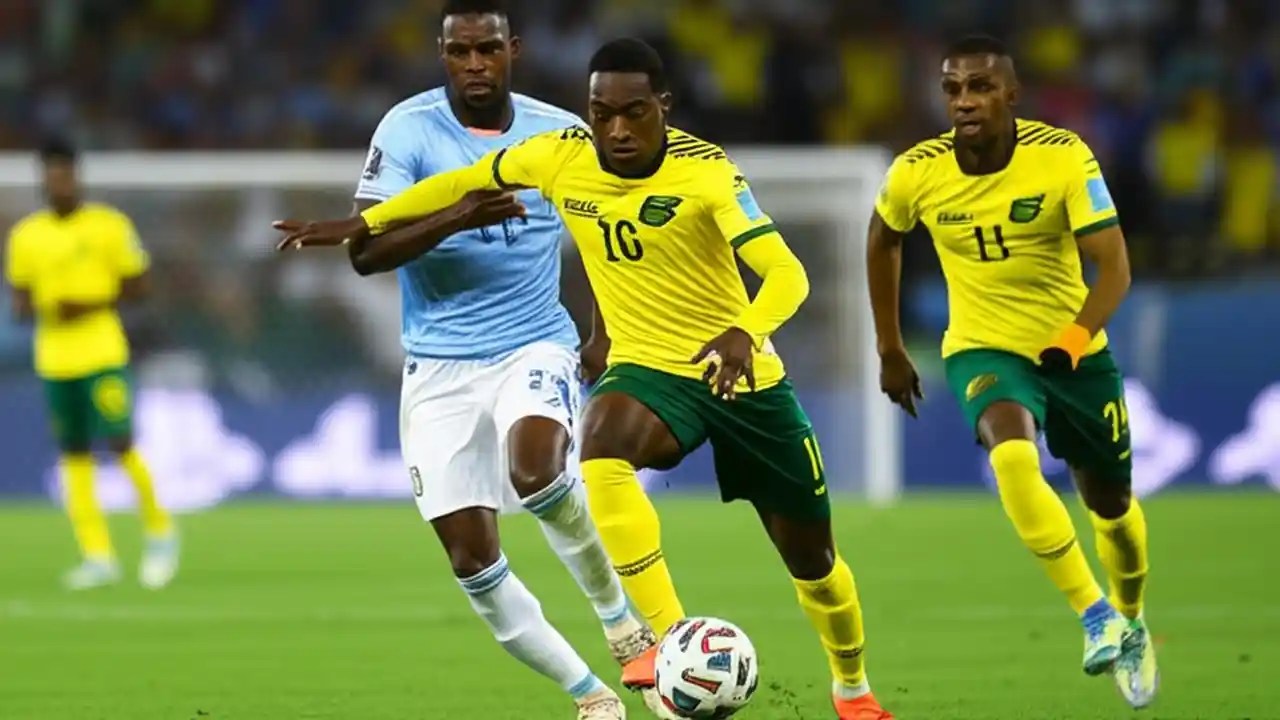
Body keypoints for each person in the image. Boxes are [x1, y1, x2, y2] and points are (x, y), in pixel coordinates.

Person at [275, 37, 895, 720]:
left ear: (663, 107)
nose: (617, 130)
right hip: (648, 370)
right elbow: (460, 183)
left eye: (633, 113)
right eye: (602, 114)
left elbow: (788, 274)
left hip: (744, 377)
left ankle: (851, 683)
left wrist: (745, 331)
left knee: (816, 567)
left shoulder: (708, 172)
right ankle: (667, 639)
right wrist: (362, 220)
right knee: (600, 449)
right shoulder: (560, 157)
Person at [287, 2, 647, 718]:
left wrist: (606, 324)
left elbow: (612, 231)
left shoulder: (562, 134)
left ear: (513, 49)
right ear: (442, 54)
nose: (475, 66)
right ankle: (592, 698)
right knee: (471, 562)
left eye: (488, 50)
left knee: (539, 471)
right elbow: (365, 253)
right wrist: (459, 214)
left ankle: (621, 622)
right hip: (438, 367)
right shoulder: (408, 129)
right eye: (460, 53)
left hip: (534, 341)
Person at [865, 35, 1157, 709]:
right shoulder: (918, 170)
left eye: (980, 87)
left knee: (1111, 508)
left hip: (1074, 352)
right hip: (982, 349)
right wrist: (889, 346)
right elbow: (882, 236)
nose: (964, 101)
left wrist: (1076, 336)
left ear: (1012, 95)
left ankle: (1131, 617)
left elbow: (1114, 267)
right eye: (953, 89)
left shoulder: (1062, 158)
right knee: (1012, 459)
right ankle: (1094, 615)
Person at [4, 138, 178, 591]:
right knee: (73, 453)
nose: (59, 183)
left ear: (76, 177)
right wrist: (40, 307)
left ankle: (160, 531)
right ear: (43, 180)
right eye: (51, 176)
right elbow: (19, 301)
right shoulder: (26, 236)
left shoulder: (108, 226)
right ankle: (97, 554)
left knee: (120, 442)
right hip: (55, 360)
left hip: (102, 351)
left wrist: (88, 304)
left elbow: (139, 286)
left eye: (66, 174)